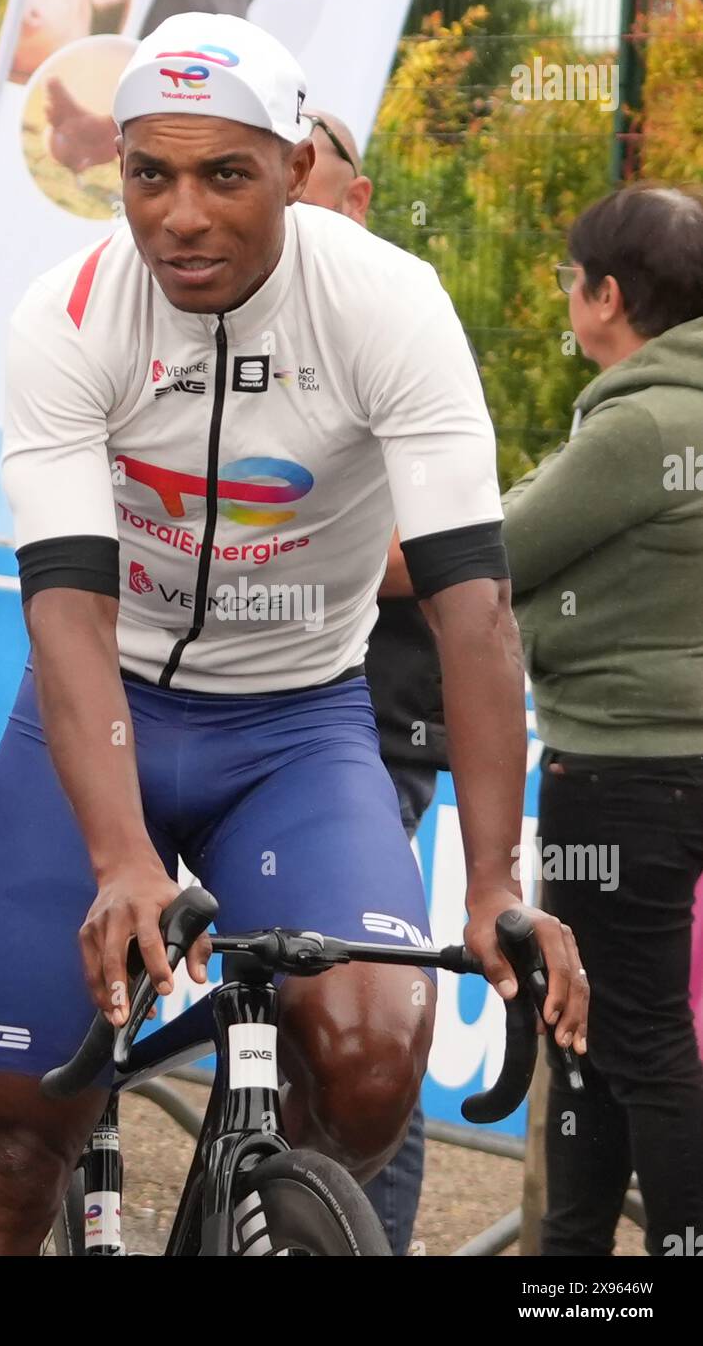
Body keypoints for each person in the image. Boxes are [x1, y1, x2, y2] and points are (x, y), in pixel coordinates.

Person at [0, 12, 587, 1255]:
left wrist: (495, 878)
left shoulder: (390, 306)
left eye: (224, 174)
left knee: (367, 1062)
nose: (179, 215)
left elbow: (474, 605)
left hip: (298, 732)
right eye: (148, 174)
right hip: (102, 713)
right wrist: (122, 856)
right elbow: (67, 604)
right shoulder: (67, 312)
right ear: (116, 169)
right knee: (19, 1146)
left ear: (297, 170)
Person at [501, 182, 703, 1256]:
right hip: (667, 771)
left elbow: (496, 554)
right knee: (593, 1033)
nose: (567, 297)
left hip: (617, 768)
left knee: (624, 1032)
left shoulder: (635, 426)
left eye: (570, 280)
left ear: (607, 296)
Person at [297, 106, 445, 1256]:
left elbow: (438, 548)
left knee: (365, 1028)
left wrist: (261, 543)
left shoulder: (399, 318)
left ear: (353, 196)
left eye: (301, 173)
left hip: (368, 724)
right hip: (200, 712)